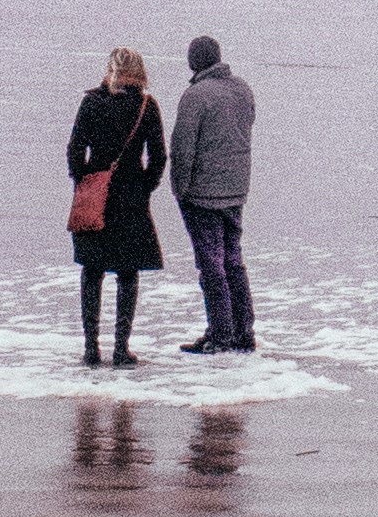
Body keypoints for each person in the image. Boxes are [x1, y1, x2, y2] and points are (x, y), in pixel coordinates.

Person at [66, 47, 165, 369]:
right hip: (131, 195)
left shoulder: (92, 101)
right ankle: (122, 349)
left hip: (96, 194)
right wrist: (145, 186)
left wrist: (84, 182)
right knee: (127, 272)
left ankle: (90, 349)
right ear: (140, 71)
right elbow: (159, 157)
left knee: (92, 271)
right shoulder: (147, 106)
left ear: (110, 69)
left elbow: (75, 148)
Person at [169, 32, 257, 354]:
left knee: (211, 265)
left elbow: (182, 150)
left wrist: (180, 188)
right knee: (233, 260)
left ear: (194, 61)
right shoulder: (242, 89)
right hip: (236, 191)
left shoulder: (195, 96)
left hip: (202, 194)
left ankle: (220, 334)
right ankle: (243, 332)